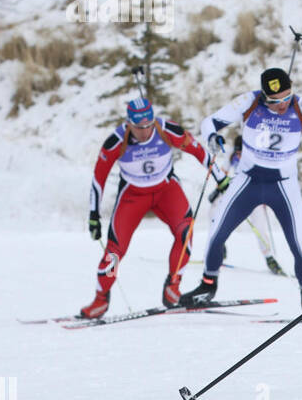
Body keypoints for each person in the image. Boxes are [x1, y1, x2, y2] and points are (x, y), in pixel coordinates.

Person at [177, 68, 302, 319]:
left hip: (283, 186)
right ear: (264, 97)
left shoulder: (301, 106)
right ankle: (207, 287)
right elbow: (209, 122)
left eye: (286, 98)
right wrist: (212, 136)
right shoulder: (249, 101)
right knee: (216, 232)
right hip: (247, 181)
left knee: (299, 244)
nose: (282, 105)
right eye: (274, 101)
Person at [80, 96, 208, 319]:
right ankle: (100, 300)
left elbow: (198, 150)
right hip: (133, 195)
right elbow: (98, 179)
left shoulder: (165, 129)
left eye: (149, 126)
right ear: (128, 123)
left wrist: (220, 177)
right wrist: (93, 214)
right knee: (114, 251)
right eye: (139, 127)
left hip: (166, 189)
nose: (145, 132)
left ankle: (172, 288)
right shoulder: (116, 141)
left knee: (185, 232)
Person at [208, 133, 288, 276]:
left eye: (241, 152)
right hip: (236, 193)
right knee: (215, 213)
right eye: (237, 152)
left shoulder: (257, 160)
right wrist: (217, 189)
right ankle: (219, 247)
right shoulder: (231, 157)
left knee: (260, 227)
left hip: (254, 195)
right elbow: (223, 174)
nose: (239, 155)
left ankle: (269, 257)